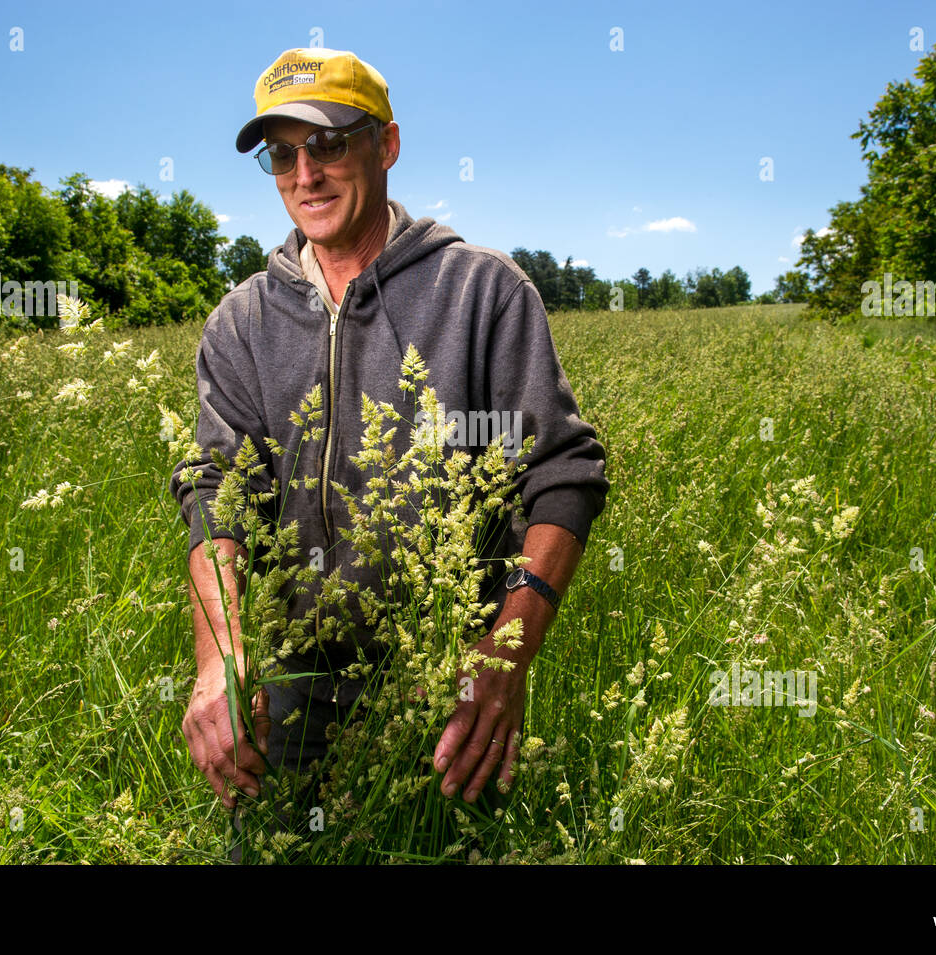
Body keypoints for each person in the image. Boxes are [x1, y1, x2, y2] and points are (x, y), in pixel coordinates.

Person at [168, 47, 609, 828]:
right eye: (283, 155)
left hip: (447, 690)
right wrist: (220, 657)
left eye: (330, 143)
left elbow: (563, 474)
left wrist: (504, 657)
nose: (306, 174)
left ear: (387, 145)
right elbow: (214, 491)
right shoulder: (241, 322)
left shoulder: (481, 292)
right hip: (287, 691)